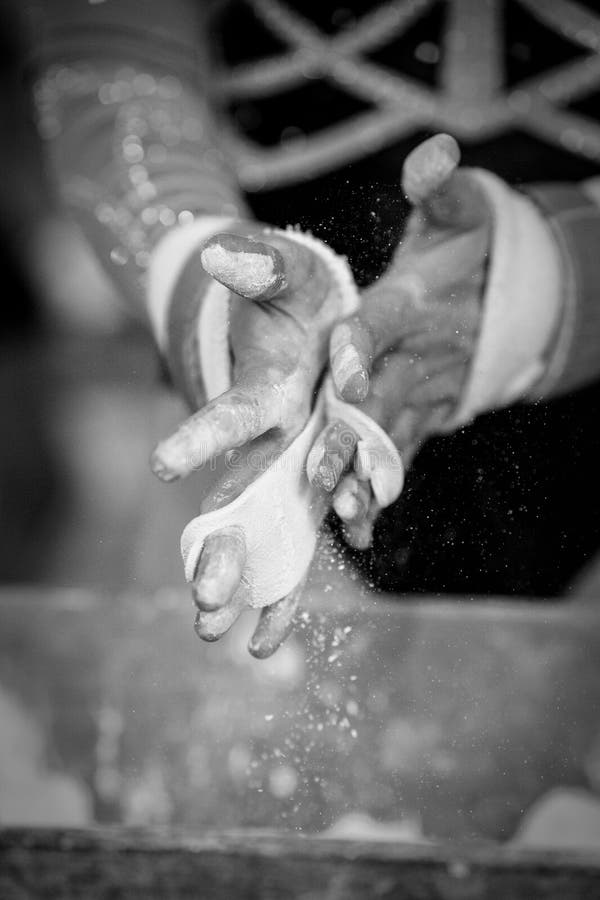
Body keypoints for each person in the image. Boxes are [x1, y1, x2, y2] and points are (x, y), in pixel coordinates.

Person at [19, 0, 600, 654]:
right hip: (248, 350)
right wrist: (207, 292)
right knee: (207, 723)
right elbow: (103, 40)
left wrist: (565, 273)